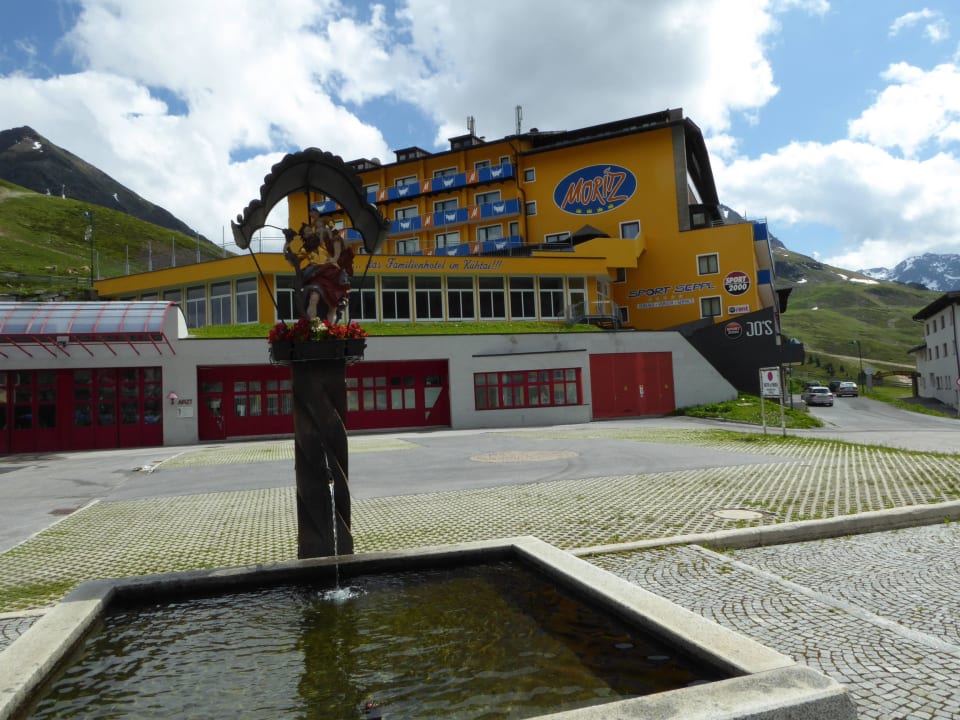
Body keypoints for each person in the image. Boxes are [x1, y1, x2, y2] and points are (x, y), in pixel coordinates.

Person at [283, 208, 355, 324]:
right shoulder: (305, 249)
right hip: (317, 275)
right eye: (306, 232)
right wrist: (286, 246)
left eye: (310, 230)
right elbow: (294, 262)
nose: (309, 233)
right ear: (303, 236)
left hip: (332, 274)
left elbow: (331, 232)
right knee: (314, 298)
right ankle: (314, 327)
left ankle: (331, 329)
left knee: (333, 304)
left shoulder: (323, 242)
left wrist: (318, 219)